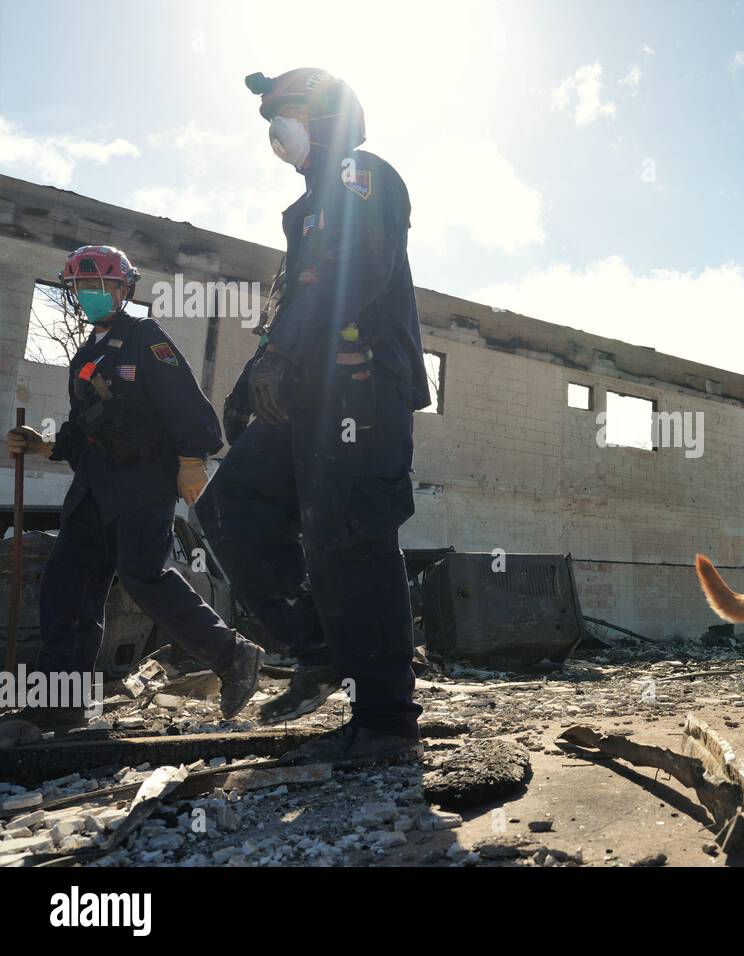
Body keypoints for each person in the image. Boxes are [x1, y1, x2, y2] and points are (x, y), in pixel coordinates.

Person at [195, 69, 431, 765]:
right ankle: (319, 649)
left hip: (362, 393)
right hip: (305, 396)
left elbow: (358, 270)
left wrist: (283, 353)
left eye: (288, 112)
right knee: (229, 506)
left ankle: (386, 721)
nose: (276, 129)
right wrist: (253, 382)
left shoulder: (365, 176)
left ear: (329, 118)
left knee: (351, 539)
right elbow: (291, 311)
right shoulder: (304, 213)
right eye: (270, 117)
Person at [2, 245, 263, 731]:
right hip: (92, 491)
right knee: (67, 588)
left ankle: (233, 656)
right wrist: (41, 446)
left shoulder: (145, 339)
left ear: (125, 290)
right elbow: (84, 433)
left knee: (144, 575)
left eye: (105, 286)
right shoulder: (86, 355)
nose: (93, 296)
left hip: (143, 483)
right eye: (84, 288)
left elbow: (189, 408)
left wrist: (191, 462)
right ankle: (57, 708)